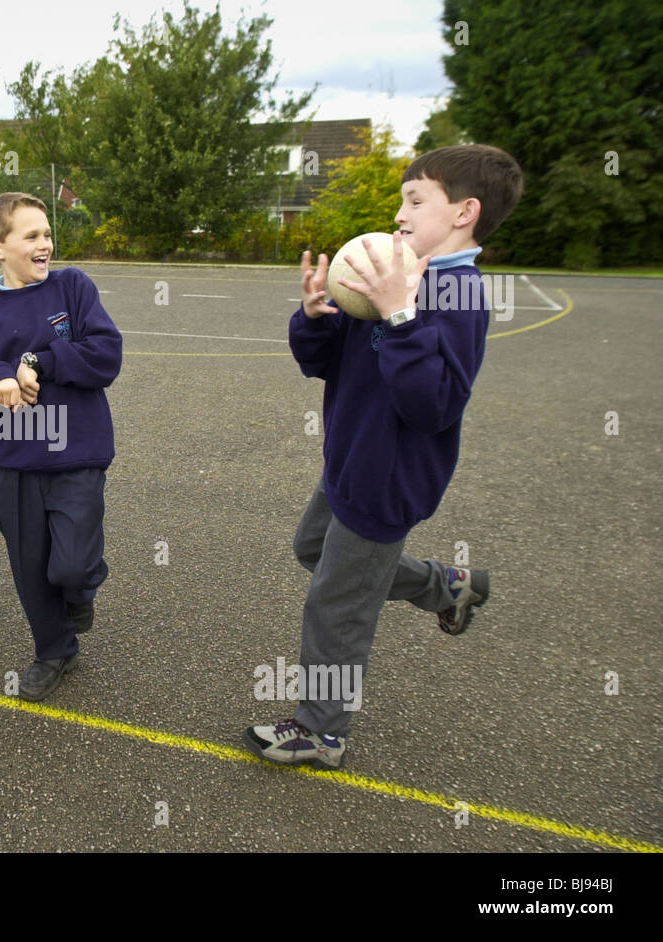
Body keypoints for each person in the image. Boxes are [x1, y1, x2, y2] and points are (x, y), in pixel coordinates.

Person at [245, 144, 524, 768]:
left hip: (387, 479)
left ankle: (322, 730)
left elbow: (434, 406)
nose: (399, 212)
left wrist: (401, 316)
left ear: (464, 212)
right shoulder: (390, 272)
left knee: (336, 605)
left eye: (416, 200)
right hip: (348, 460)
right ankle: (445, 587)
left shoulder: (458, 294)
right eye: (401, 198)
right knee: (311, 550)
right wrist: (316, 316)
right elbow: (321, 363)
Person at [0, 192, 122, 702]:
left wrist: (41, 363)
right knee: (30, 568)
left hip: (76, 454)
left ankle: (82, 586)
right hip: (13, 461)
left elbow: (105, 355)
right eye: (31, 236)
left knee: (70, 564)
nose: (45, 243)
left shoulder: (72, 288)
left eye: (47, 233)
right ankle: (54, 649)